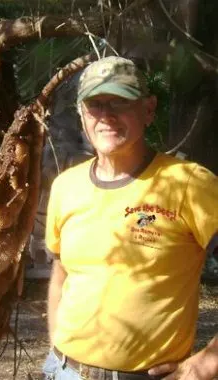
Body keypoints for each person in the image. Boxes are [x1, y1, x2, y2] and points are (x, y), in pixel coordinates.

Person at [43, 56, 218, 380]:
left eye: (120, 102)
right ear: (82, 116)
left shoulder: (189, 184)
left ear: (148, 110)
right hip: (65, 372)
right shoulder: (66, 186)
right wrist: (57, 345)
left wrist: (206, 364)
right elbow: (61, 272)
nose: (106, 115)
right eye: (95, 104)